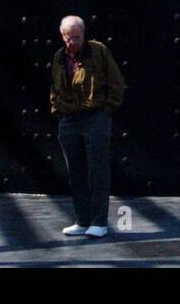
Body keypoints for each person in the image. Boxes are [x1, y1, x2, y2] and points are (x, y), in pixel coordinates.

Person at [51, 15, 125, 237]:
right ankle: (82, 220)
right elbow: (55, 87)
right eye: (69, 37)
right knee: (76, 172)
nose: (73, 41)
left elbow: (117, 83)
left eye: (77, 36)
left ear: (83, 34)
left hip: (95, 118)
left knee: (98, 170)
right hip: (69, 120)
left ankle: (99, 222)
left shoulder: (98, 51)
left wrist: (106, 112)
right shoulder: (59, 57)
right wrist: (59, 112)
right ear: (62, 36)